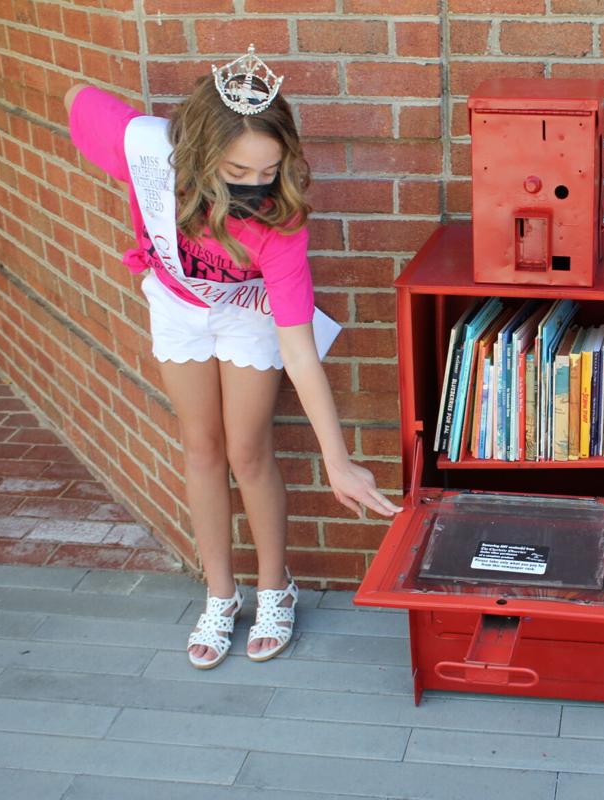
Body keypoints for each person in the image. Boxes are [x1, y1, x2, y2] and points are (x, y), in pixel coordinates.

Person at [65, 46, 401, 670]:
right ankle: (221, 595)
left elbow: (299, 350)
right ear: (197, 155)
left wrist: (340, 462)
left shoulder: (281, 223)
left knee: (248, 450)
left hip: (248, 310)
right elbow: (76, 100)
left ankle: (276, 589)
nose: (255, 185)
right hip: (177, 304)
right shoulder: (146, 150)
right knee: (201, 447)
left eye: (269, 169)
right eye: (237, 171)